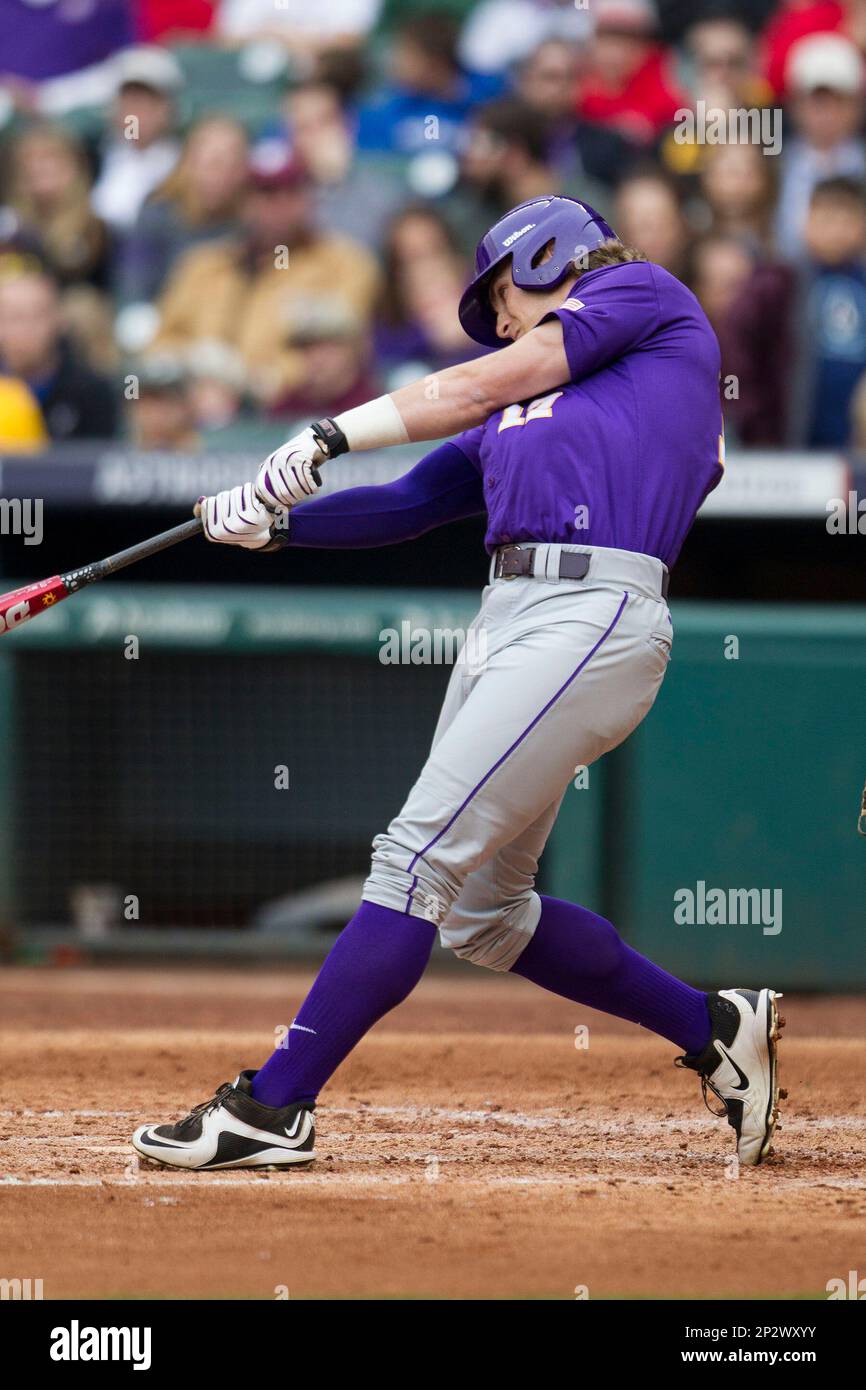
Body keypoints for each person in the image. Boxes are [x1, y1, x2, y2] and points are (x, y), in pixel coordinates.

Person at [132, 194, 785, 1174]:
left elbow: (489, 379)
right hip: (506, 617)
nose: (502, 318)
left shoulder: (640, 297)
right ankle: (711, 1025)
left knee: (411, 861)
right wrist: (273, 525)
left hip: (591, 609)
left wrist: (324, 436)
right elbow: (411, 503)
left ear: (546, 256)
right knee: (483, 916)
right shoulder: (528, 402)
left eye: (500, 296)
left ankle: (276, 1106)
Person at [149, 143, 381, 407]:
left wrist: (249, 381)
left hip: (291, 416)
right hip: (195, 411)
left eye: (291, 191)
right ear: (246, 200)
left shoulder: (345, 263)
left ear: (309, 197)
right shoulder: (203, 265)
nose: (279, 205)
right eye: (266, 193)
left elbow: (340, 354)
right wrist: (195, 366)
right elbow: (160, 345)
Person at [116, 115, 249, 304]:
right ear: (189, 163)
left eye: (234, 166)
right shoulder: (156, 213)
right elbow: (134, 285)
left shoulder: (253, 221)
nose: (223, 175)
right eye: (214, 163)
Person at [774, 33, 866, 260]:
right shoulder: (773, 169)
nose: (828, 115)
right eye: (818, 102)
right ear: (795, 105)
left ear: (858, 106)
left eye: (840, 101)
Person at [790, 177, 866, 448]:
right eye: (825, 220)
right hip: (801, 423)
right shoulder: (787, 280)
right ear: (806, 223)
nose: (835, 231)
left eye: (845, 221)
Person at [0, 265, 117, 440]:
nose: (26, 328)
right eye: (14, 317)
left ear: (59, 319)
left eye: (38, 315)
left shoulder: (93, 393)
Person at [90, 46, 183, 234]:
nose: (135, 113)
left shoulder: (181, 162)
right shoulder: (96, 155)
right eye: (129, 101)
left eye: (146, 103)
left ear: (167, 109)